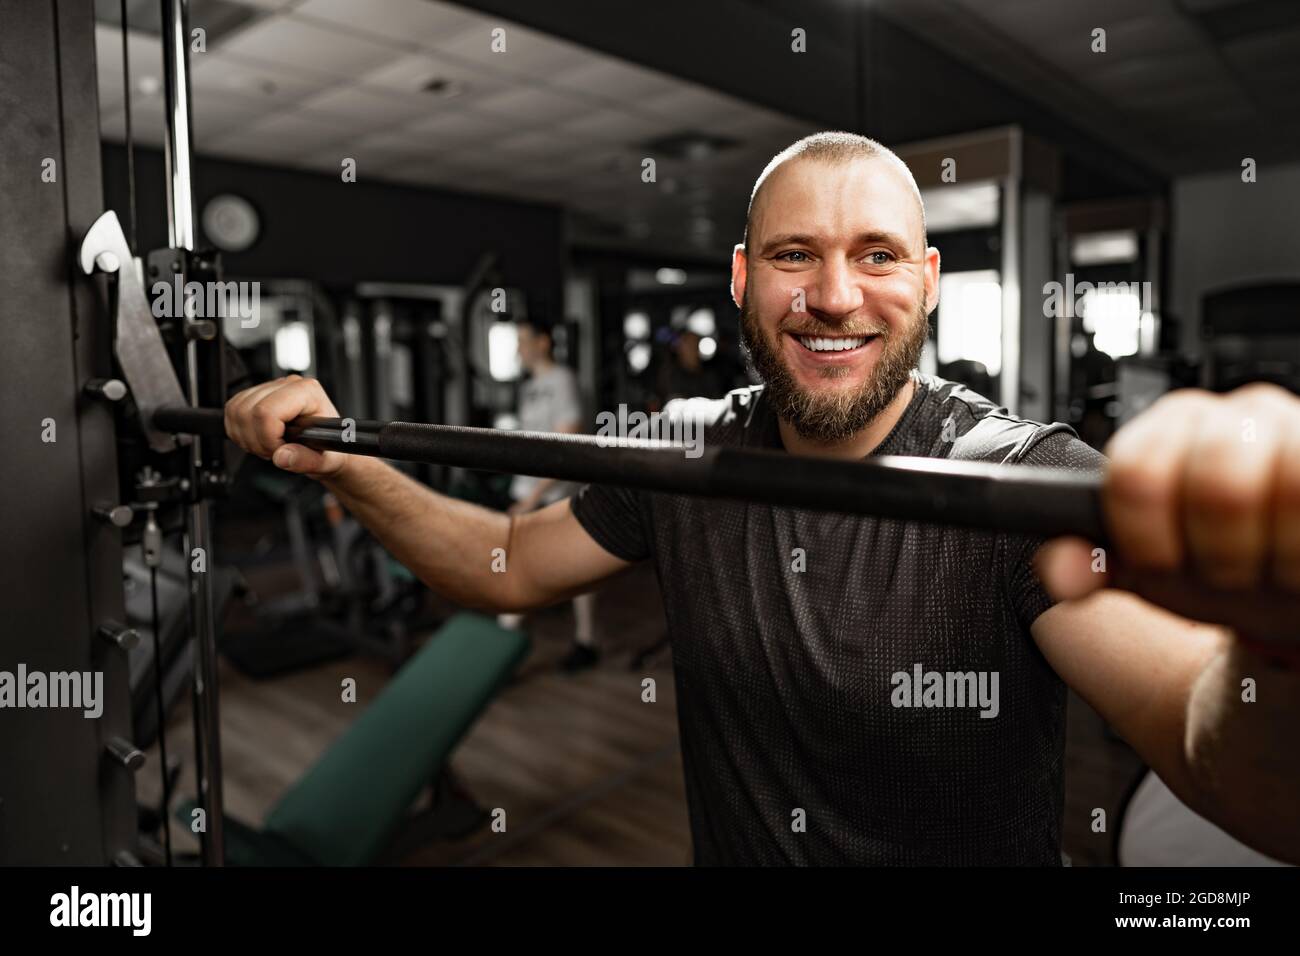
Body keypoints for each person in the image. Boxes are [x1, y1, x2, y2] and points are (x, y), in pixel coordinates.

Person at [223, 132, 1300, 866]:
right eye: (796, 255)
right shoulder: (683, 454)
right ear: (742, 279)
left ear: (925, 280)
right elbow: (503, 557)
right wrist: (342, 461)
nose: (834, 295)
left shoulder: (1022, 480)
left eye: (875, 256)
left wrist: (1276, 649)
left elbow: (1216, 762)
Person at [503, 316, 599, 673]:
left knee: (569, 568)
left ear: (543, 341)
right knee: (531, 564)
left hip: (557, 491)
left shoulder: (563, 381)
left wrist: (533, 497)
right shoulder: (529, 386)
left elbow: (564, 443)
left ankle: (585, 641)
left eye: (523, 339)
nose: (518, 348)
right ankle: (505, 641)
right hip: (529, 488)